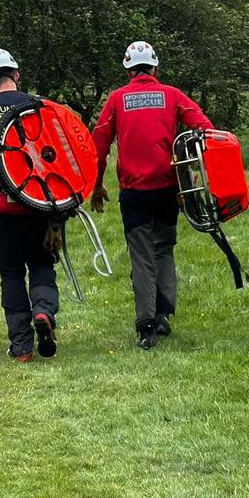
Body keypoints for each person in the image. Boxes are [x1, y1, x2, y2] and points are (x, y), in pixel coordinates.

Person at [90, 41, 214, 350]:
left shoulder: (117, 99)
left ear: (129, 70)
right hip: (169, 191)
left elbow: (99, 146)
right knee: (164, 249)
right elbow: (204, 128)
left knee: (142, 255)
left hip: (134, 193)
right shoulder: (172, 95)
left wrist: (96, 185)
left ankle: (146, 326)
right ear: (155, 68)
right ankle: (163, 315)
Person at [0, 49, 60, 362]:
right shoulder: (40, 106)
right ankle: (44, 312)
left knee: (11, 273)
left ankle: (21, 346)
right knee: (43, 264)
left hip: (3, 206)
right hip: (40, 204)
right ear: (17, 75)